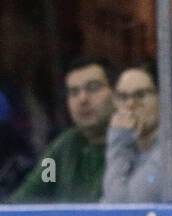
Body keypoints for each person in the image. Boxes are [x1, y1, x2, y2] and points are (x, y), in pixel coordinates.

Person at [7, 57, 115, 203]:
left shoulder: (133, 145)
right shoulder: (61, 149)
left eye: (93, 88)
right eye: (74, 92)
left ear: (116, 94)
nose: (82, 99)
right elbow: (31, 193)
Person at [102, 62, 172, 202]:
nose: (130, 104)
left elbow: (122, 210)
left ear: (163, 99)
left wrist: (118, 143)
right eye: (122, 97)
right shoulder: (131, 153)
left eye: (140, 95)